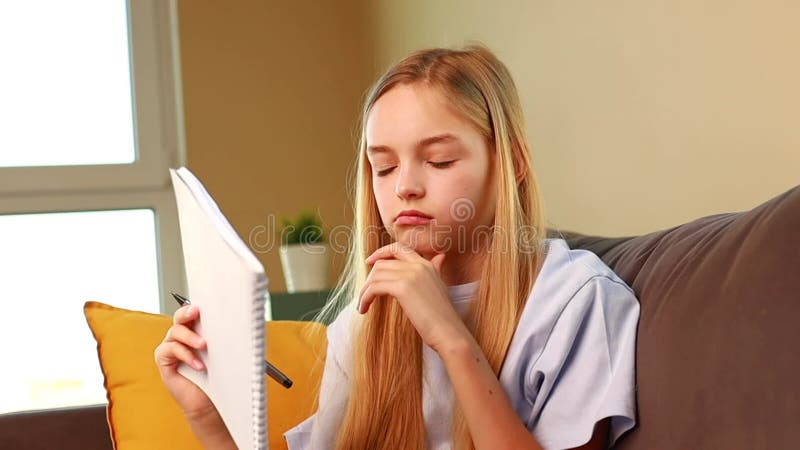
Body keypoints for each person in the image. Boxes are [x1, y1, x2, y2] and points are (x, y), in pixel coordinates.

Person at [155, 44, 640, 450]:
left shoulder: (576, 298)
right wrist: (207, 419)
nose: (405, 186)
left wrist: (450, 338)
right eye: (383, 168)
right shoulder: (368, 318)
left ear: (510, 164)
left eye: (439, 160)